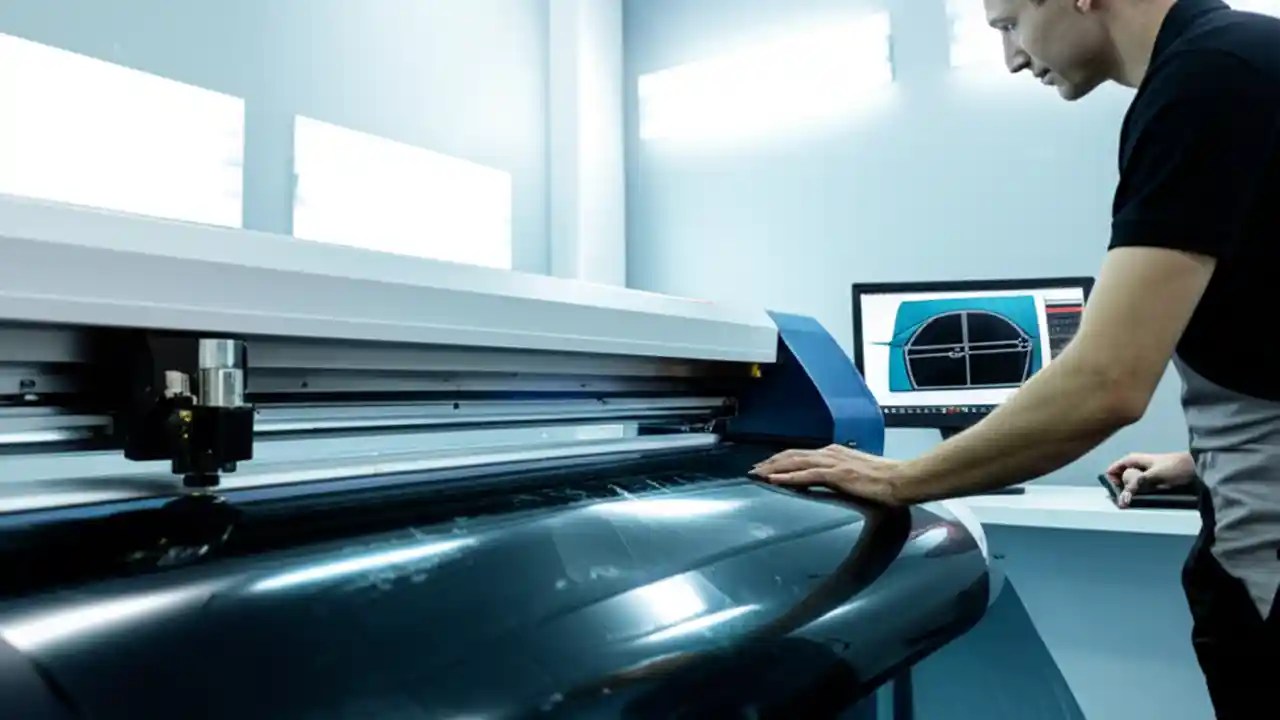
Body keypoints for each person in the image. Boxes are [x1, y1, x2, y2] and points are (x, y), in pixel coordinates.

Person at [751, 0, 1279, 715]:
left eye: (1007, 22)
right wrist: (1204, 457)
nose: (1012, 56)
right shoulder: (1247, 55)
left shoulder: (1206, 81)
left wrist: (904, 477)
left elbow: (1105, 384)